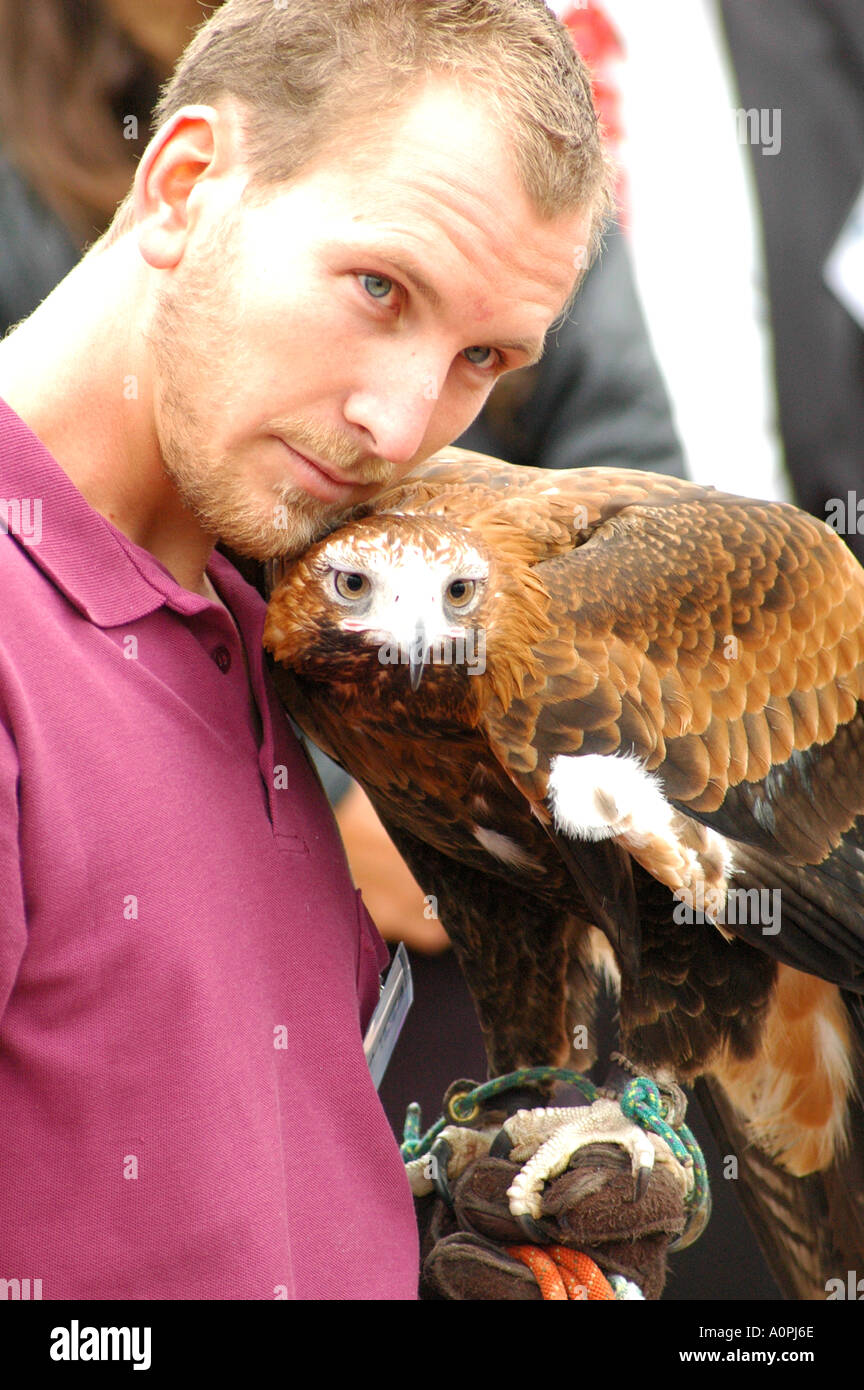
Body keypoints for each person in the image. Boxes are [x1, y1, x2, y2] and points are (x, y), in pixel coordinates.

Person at [0, 0, 610, 1299]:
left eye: (482, 357)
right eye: (380, 287)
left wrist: (408, 1218)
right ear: (182, 185)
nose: (403, 423)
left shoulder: (288, 604)